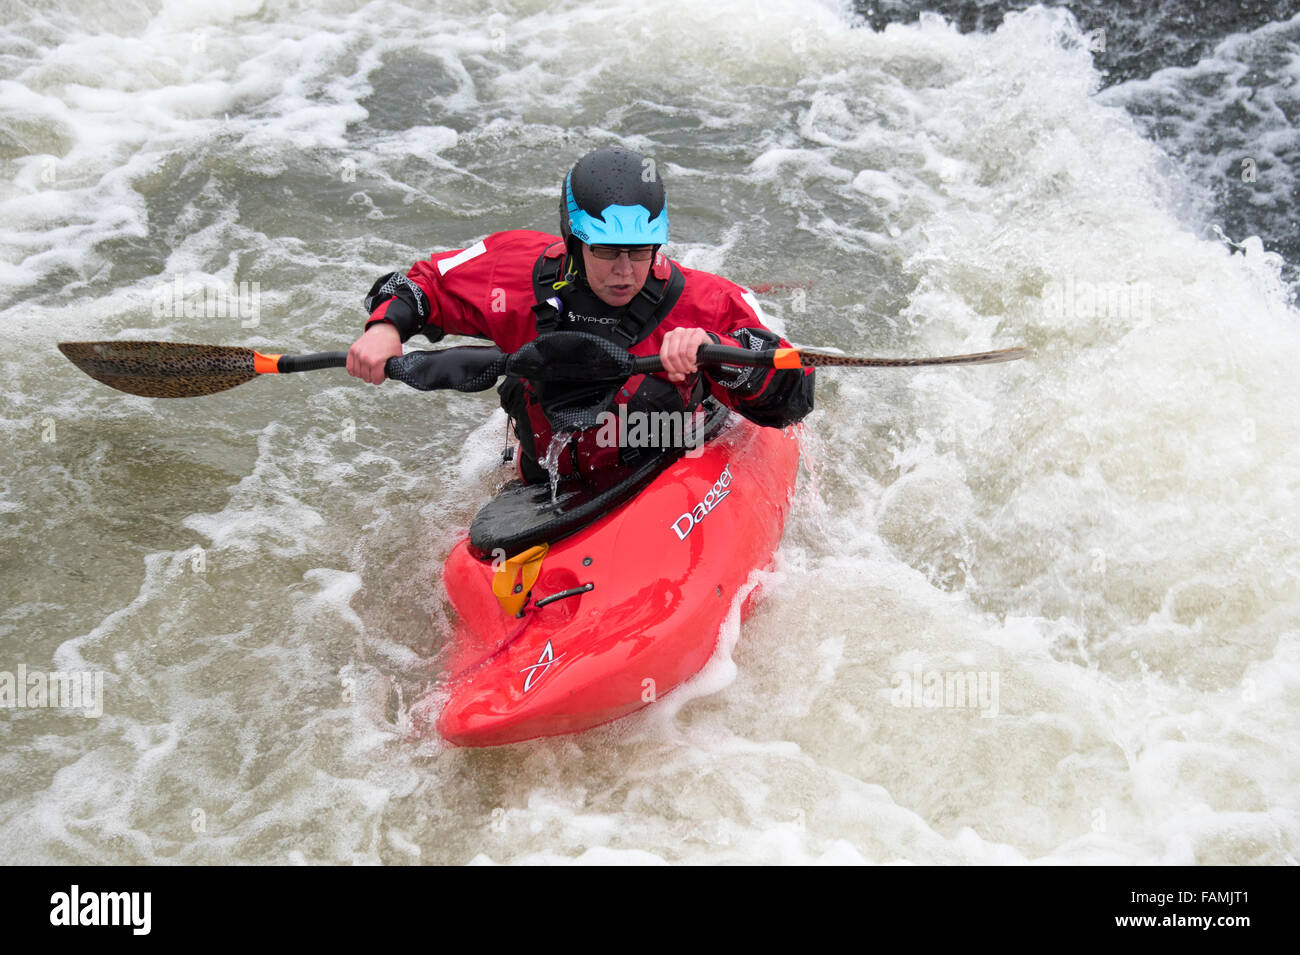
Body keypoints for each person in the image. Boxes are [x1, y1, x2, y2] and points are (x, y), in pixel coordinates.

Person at [346, 145, 814, 484]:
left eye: (640, 251)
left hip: (663, 472)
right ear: (574, 241)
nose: (626, 271)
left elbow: (794, 394)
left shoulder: (706, 301)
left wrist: (719, 355)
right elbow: (423, 282)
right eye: (608, 251)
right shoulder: (512, 270)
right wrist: (386, 327)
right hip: (548, 476)